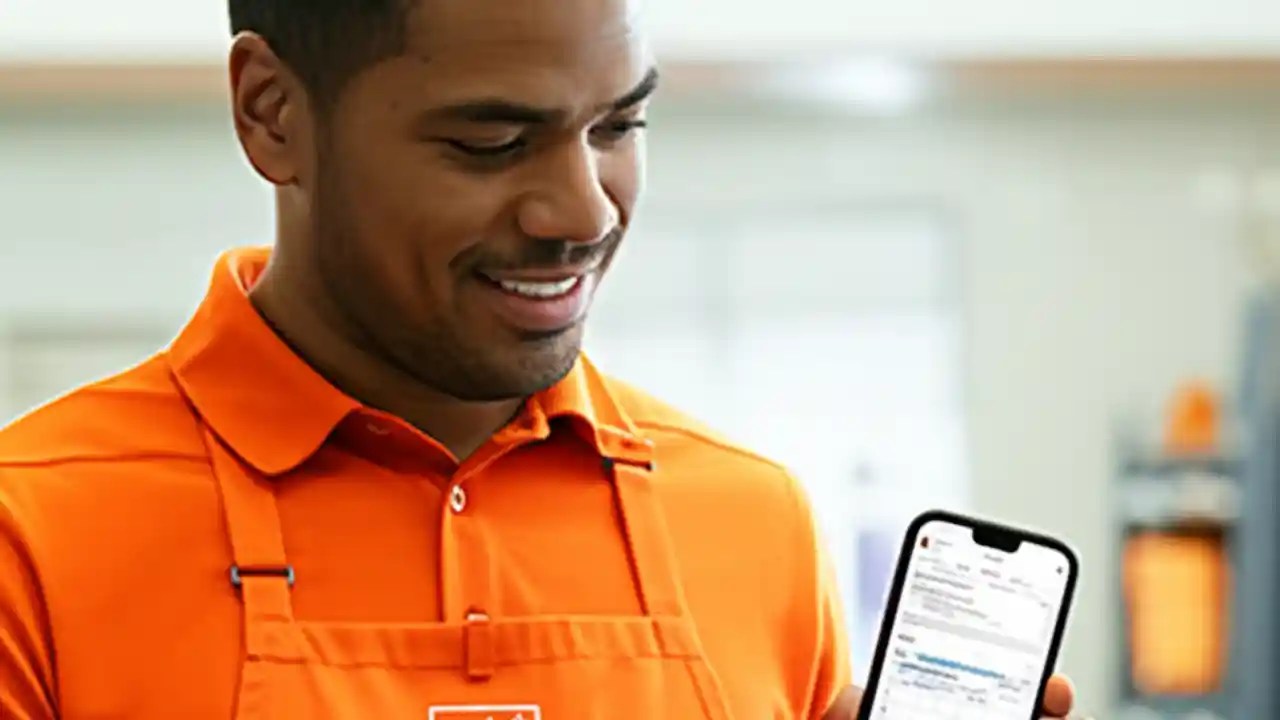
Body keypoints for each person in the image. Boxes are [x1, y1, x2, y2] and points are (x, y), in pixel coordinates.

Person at [0, 0, 1081, 717]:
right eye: (490, 144)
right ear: (271, 114)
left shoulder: (751, 521)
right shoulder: (31, 537)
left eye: (617, 128)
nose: (580, 209)